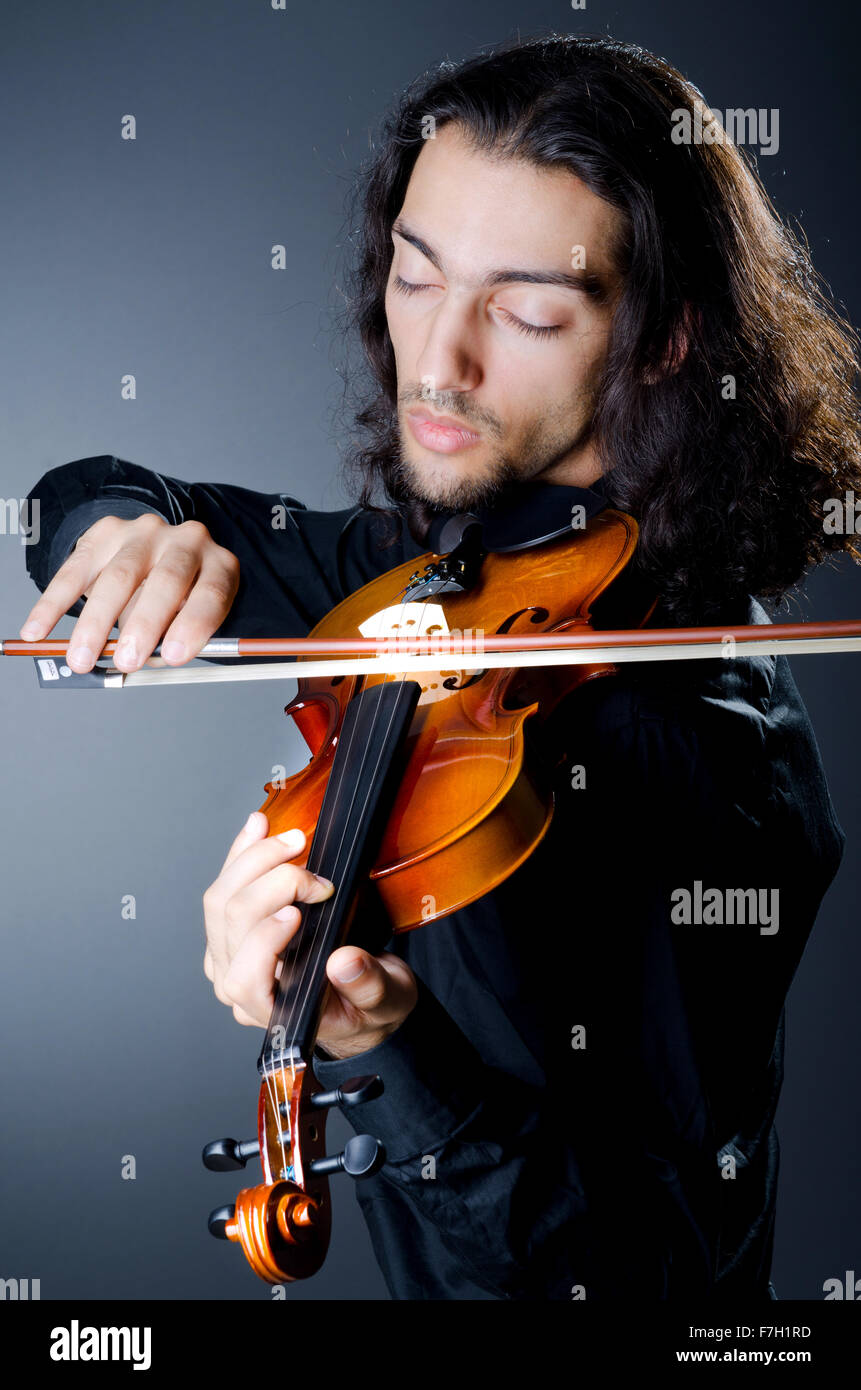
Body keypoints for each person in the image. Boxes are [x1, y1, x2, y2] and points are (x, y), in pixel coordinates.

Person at [20, 35, 860, 1300]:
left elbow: (659, 1275)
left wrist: (394, 1048)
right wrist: (126, 535)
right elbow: (79, 501)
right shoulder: (447, 566)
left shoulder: (710, 771)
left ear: (668, 342)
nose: (439, 363)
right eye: (416, 277)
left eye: (526, 313)